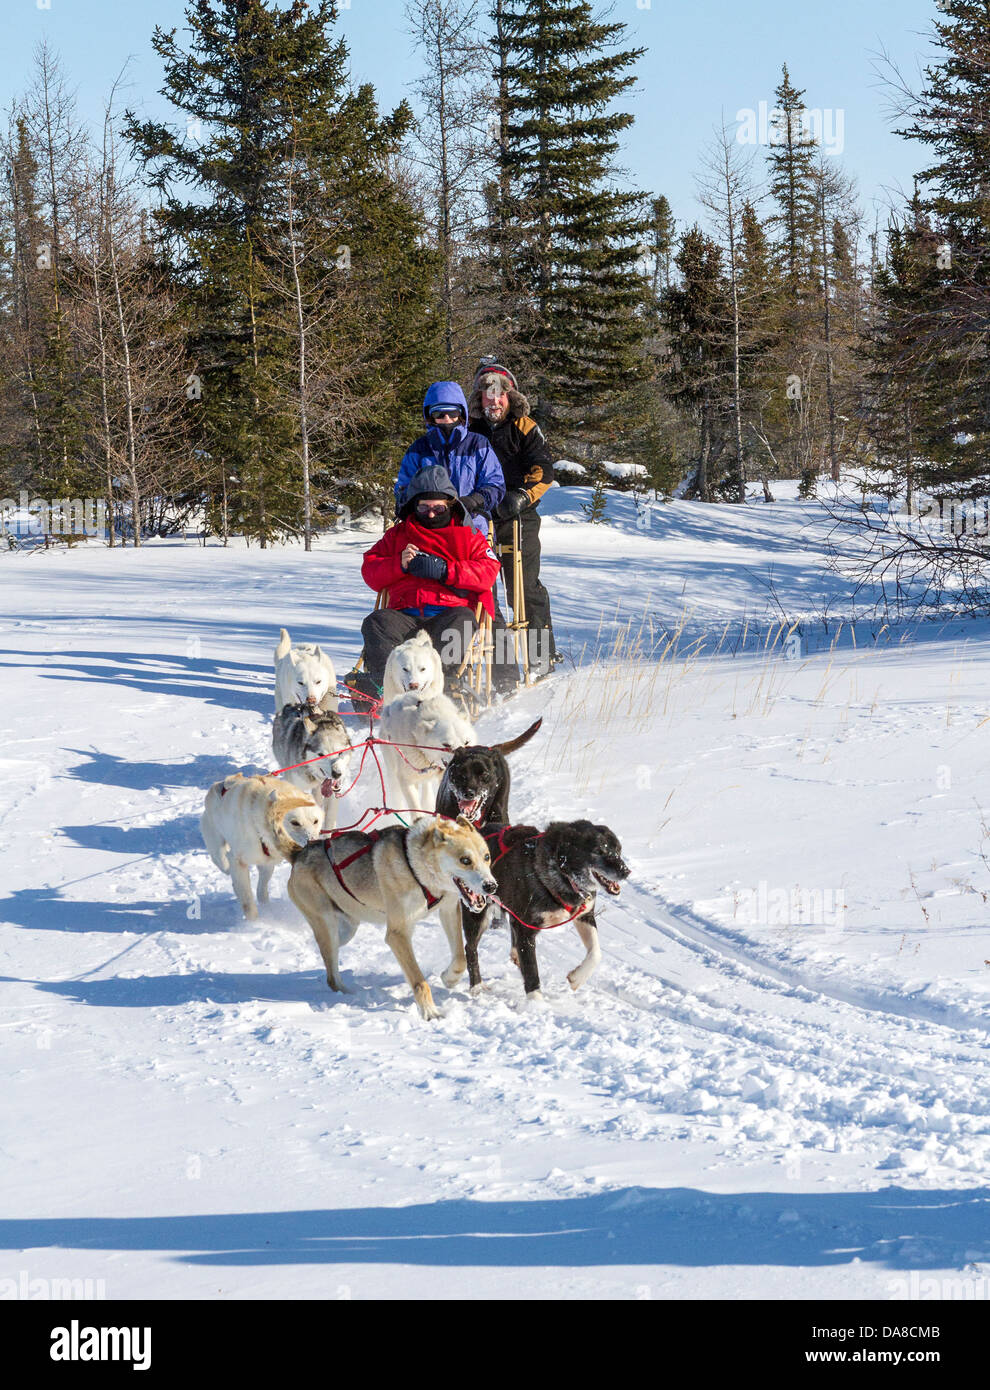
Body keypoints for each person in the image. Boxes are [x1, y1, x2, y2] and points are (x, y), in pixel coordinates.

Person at [395, 380, 518, 692]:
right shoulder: (419, 449)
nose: (446, 420)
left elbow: (495, 484)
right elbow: (403, 490)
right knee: (417, 598)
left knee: (487, 603)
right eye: (439, 415)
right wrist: (412, 508)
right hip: (427, 533)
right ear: (430, 417)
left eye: (451, 414)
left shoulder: (477, 444)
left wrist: (472, 502)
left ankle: (506, 675)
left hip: (469, 535)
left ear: (462, 414)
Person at [359, 465, 501, 695]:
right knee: (377, 622)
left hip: (448, 614)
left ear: (450, 505)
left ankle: (444, 686)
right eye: (424, 507)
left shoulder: (469, 535)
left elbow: (488, 571)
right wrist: (399, 564)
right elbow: (370, 569)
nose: (431, 514)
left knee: (463, 620)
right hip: (405, 614)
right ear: (414, 505)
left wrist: (447, 570)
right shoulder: (398, 534)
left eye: (438, 508)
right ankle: (382, 687)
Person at [467, 358, 560, 673]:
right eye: (487, 393)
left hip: (518, 517)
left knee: (524, 588)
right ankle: (501, 664)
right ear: (479, 398)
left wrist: (521, 496)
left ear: (510, 396)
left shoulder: (525, 427)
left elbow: (543, 470)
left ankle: (541, 657)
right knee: (483, 589)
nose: (493, 400)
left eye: (499, 393)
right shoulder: (468, 428)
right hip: (480, 517)